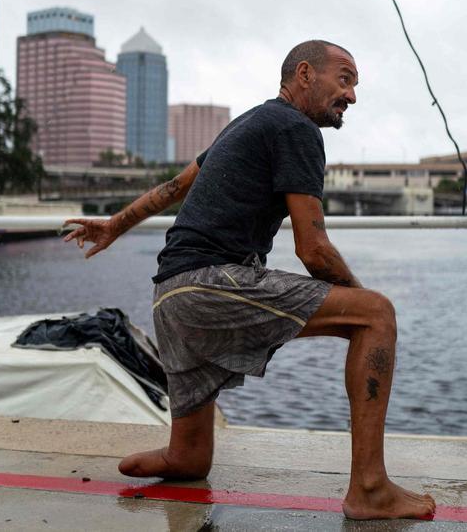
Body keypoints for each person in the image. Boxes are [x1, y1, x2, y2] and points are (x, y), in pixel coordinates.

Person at [63, 40, 436, 520]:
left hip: (169, 297)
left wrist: (116, 225)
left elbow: (175, 188)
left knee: (192, 460)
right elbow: (313, 249)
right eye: (344, 80)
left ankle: (176, 454)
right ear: (304, 74)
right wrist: (362, 304)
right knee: (377, 315)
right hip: (208, 286)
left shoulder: (248, 122)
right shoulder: (296, 128)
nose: (352, 96)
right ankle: (368, 487)